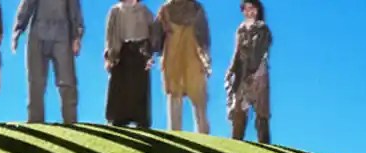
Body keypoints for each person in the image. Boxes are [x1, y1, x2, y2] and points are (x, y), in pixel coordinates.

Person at [12, 0, 86, 123]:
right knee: (35, 83)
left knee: (67, 82)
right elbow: (27, 5)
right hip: (38, 35)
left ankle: (71, 122)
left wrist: (76, 36)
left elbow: (74, 9)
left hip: (62, 35)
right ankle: (35, 122)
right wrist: (18, 29)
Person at [156, 0, 211, 134]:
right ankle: (175, 137)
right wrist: (149, 52)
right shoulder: (166, 10)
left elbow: (203, 36)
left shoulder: (196, 8)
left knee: (198, 98)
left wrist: (206, 58)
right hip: (173, 58)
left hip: (192, 56)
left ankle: (204, 140)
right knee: (175, 96)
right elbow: (157, 36)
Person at [103, 0, 157, 127]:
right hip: (120, 52)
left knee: (139, 87)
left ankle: (140, 119)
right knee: (119, 86)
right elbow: (110, 35)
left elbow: (153, 34)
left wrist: (149, 55)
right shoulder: (115, 11)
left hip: (140, 53)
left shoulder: (145, 11)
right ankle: (118, 118)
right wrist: (108, 56)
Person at [224, 0, 272, 143]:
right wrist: (231, 70)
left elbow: (259, 50)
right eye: (246, 9)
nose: (249, 11)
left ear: (257, 10)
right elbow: (237, 52)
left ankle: (266, 149)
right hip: (242, 74)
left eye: (252, 8)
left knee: (261, 114)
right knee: (238, 112)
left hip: (259, 75)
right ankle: (236, 146)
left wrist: (252, 70)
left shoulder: (262, 28)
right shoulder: (240, 29)